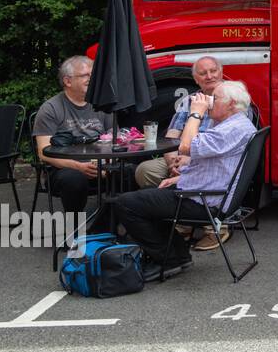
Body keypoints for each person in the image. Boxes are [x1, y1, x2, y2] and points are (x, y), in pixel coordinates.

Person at [114, 81, 257, 280]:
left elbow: (186, 147)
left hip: (204, 201)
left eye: (214, 98)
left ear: (231, 104)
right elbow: (221, 167)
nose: (208, 102)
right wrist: (181, 178)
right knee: (147, 198)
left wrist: (196, 113)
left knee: (126, 204)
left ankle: (170, 259)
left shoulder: (230, 129)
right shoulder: (238, 124)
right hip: (211, 195)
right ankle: (178, 254)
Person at [33, 56, 115, 216]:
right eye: (86, 75)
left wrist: (108, 163)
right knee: (74, 179)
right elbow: (43, 152)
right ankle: (75, 230)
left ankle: (103, 226)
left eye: (93, 75)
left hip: (100, 165)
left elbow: (115, 139)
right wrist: (78, 166)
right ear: (68, 81)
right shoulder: (50, 108)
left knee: (130, 173)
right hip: (63, 169)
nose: (91, 79)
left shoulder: (102, 105)